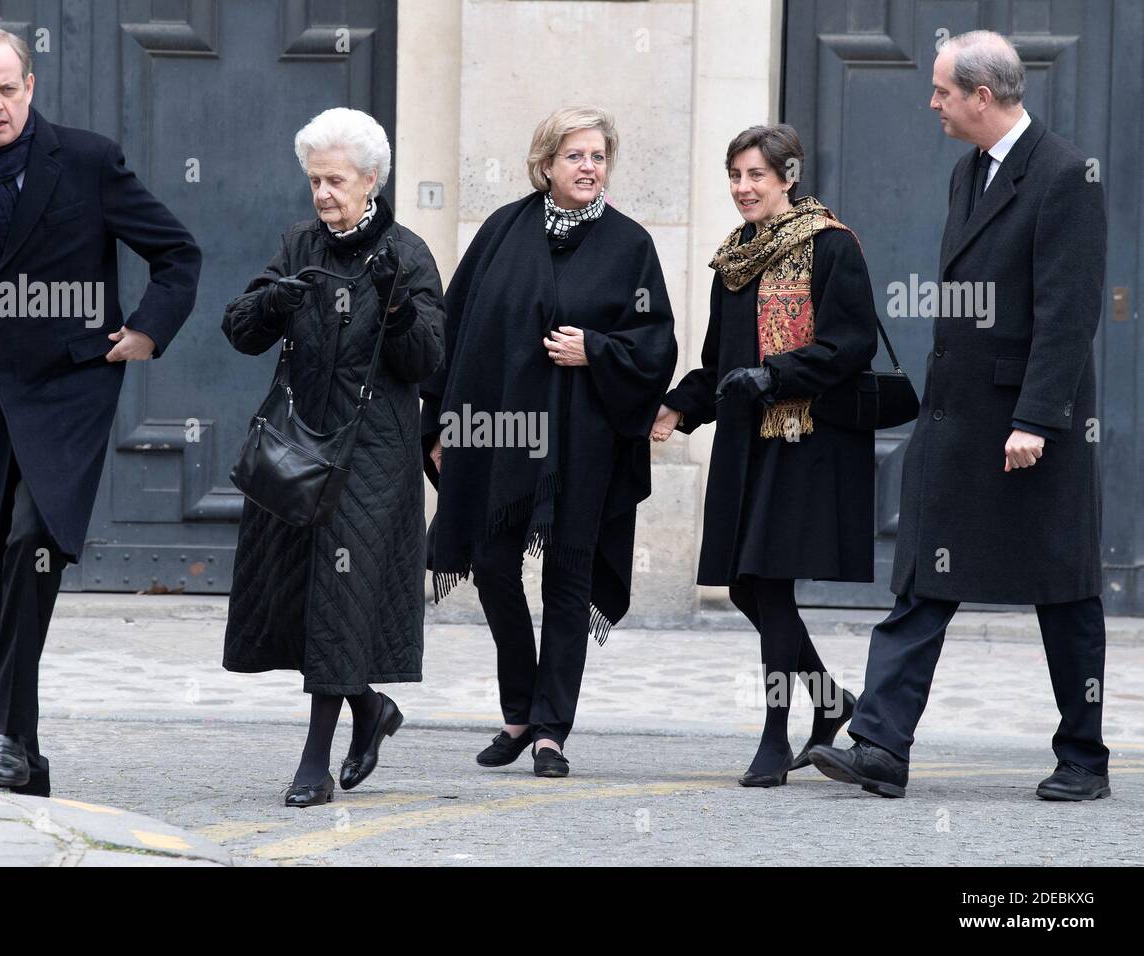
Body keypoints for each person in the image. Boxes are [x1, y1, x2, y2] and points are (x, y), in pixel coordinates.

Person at [0, 26, 201, 798]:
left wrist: (148, 330)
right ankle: (19, 751)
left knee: (32, 537)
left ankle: (2, 735)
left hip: (69, 391)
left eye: (7, 89)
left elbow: (176, 254)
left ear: (31, 86)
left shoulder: (87, 161)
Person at [809, 31, 1110, 800]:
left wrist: (1038, 420)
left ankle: (1083, 757)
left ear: (982, 95)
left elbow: (1068, 314)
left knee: (1063, 590)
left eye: (943, 90)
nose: (932, 101)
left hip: (1030, 426)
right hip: (960, 420)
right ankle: (880, 745)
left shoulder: (1065, 175)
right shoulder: (967, 170)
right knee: (922, 580)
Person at [421, 106, 677, 778]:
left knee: (568, 581)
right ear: (546, 165)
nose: (588, 167)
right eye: (575, 156)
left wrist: (595, 349)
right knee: (494, 567)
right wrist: (442, 424)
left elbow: (656, 343)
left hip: (582, 444)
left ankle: (550, 731)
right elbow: (456, 328)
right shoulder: (503, 231)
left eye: (597, 156)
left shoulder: (630, 245)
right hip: (497, 437)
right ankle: (518, 707)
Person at [221, 108, 445, 808]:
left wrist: (397, 310)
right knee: (304, 602)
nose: (322, 193)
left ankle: (313, 763)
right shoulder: (297, 245)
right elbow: (239, 332)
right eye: (315, 180)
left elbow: (429, 360)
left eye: (336, 180)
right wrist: (269, 305)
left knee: (341, 599)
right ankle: (369, 709)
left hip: (374, 456)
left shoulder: (407, 254)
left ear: (371, 179)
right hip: (299, 449)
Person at [652, 124, 877, 787]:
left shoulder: (832, 247)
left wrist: (776, 377)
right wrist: (677, 406)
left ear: (788, 177)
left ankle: (776, 736)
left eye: (756, 175)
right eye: (735, 175)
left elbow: (851, 343)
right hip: (744, 442)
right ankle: (831, 701)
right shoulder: (735, 261)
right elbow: (719, 364)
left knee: (769, 583)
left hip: (803, 440)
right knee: (748, 586)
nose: (743, 188)